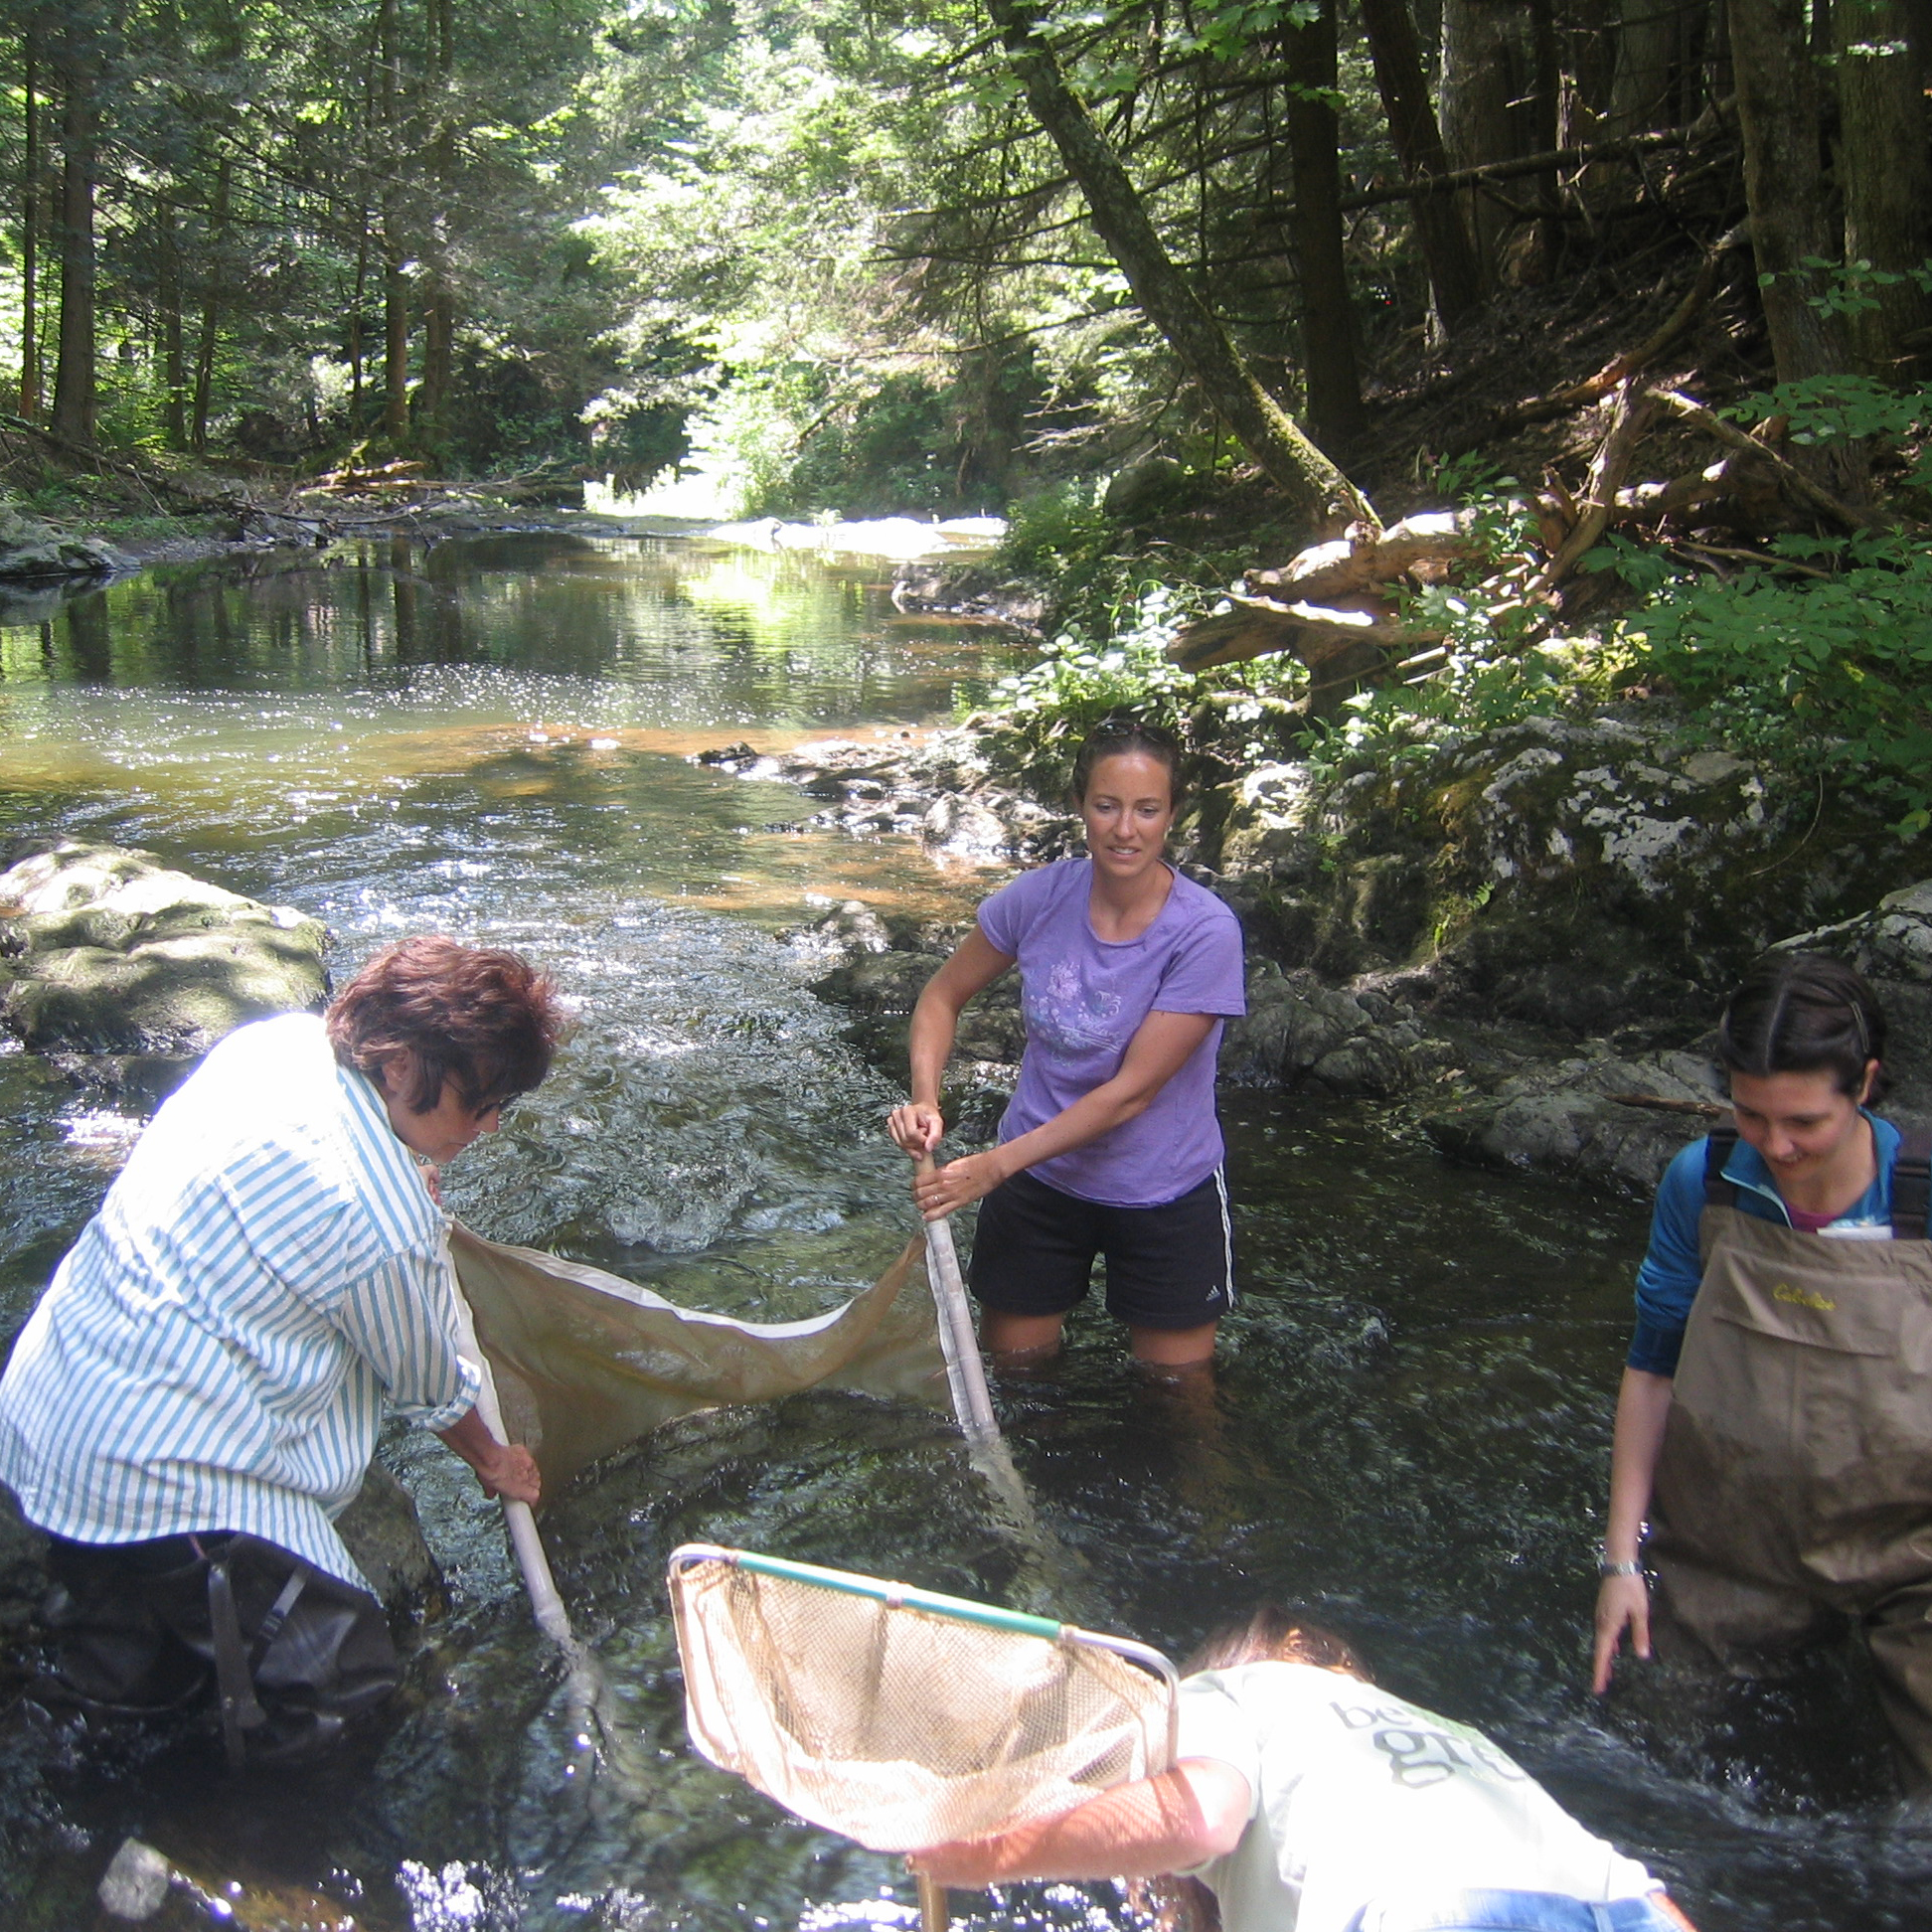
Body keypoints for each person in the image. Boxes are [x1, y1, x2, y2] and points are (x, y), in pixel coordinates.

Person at [0, 934, 562, 1765]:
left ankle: (105, 1768)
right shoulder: (375, 1219)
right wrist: (494, 1460)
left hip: (50, 1413)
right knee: (343, 1686)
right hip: (158, 1479)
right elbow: (423, 1381)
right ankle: (258, 1872)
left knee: (128, 1688)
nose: (485, 1128)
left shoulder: (272, 1048)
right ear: (402, 1067)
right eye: (476, 1105)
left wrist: (407, 1172)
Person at [1591, 952, 1932, 1791]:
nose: (1776, 1145)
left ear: (1866, 1084)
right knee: (1656, 1759)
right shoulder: (1703, 1183)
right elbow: (1653, 1368)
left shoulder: (1920, 1194)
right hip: (1732, 1537)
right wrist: (1621, 1561)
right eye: (1751, 1115)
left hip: (1912, 1547)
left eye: (1804, 1122)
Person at [910, 1602, 1693, 1932]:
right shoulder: (1446, 1731)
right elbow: (1644, 1900)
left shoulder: (1226, 1692)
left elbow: (1199, 1815)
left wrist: (983, 1856)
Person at [886, 717, 1245, 1368]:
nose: (1125, 829)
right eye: (1107, 806)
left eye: (1146, 810)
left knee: (1178, 1402)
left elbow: (1131, 1095)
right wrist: (926, 1102)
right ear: (1080, 806)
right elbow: (940, 997)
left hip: (1162, 1191)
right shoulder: (1039, 899)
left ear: (1172, 816)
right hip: (1039, 1181)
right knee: (1021, 1385)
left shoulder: (1205, 933)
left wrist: (995, 1164)